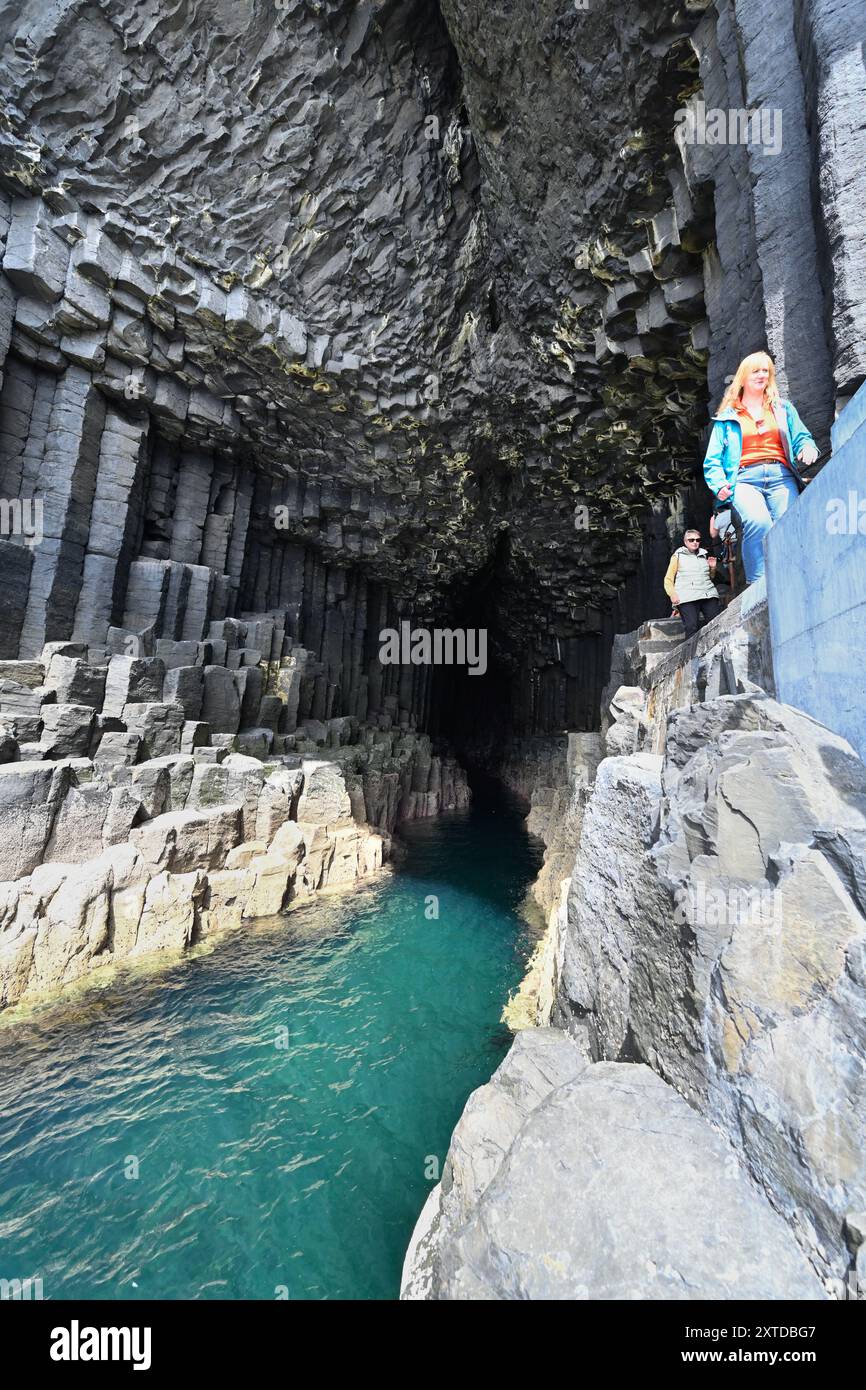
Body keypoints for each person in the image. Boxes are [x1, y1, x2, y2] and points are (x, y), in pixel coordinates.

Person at [703, 351, 819, 583]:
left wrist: (808, 448)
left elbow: (802, 437)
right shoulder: (727, 418)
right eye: (756, 371)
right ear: (743, 377)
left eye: (766, 371)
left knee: (790, 525)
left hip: (781, 475)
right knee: (758, 521)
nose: (762, 375)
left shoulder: (782, 408)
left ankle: (792, 577)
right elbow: (712, 460)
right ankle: (759, 584)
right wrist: (719, 485)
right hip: (745, 479)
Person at [664, 529, 720, 639]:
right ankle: (691, 655)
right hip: (687, 595)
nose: (695, 542)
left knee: (716, 621)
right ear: (685, 542)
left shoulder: (704, 555)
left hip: (707, 593)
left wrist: (712, 568)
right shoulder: (677, 556)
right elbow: (668, 578)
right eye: (691, 540)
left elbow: (710, 577)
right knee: (691, 627)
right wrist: (672, 594)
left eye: (697, 540)